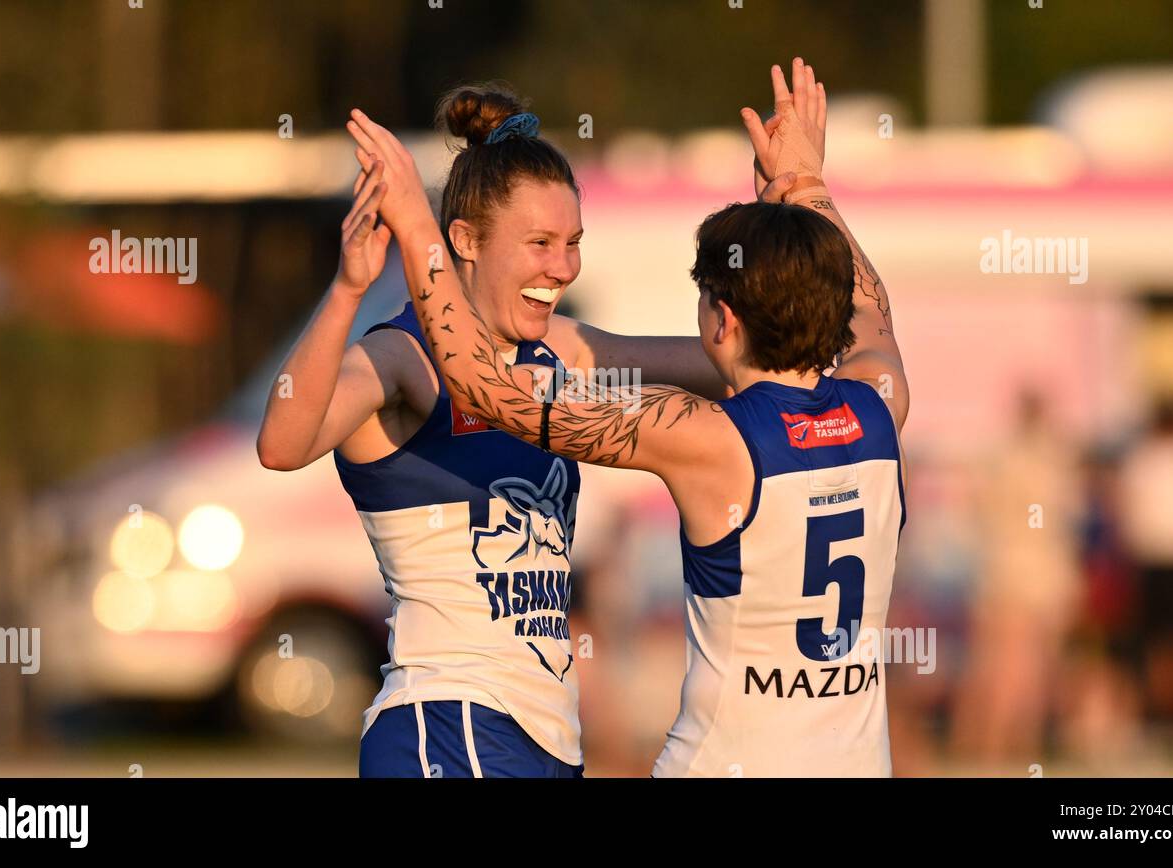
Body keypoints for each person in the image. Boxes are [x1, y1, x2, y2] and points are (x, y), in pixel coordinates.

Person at [354, 58, 911, 776]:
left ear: (722, 321)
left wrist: (417, 232)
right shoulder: (881, 403)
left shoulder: (709, 439)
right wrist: (806, 185)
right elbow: (872, 314)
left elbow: (490, 392)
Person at [257, 82, 779, 777]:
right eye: (538, 243)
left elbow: (741, 366)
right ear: (464, 240)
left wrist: (783, 214)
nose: (560, 268)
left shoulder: (560, 350)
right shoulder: (403, 356)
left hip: (544, 735)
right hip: (447, 722)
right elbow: (282, 444)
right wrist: (349, 289)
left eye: (572, 243)